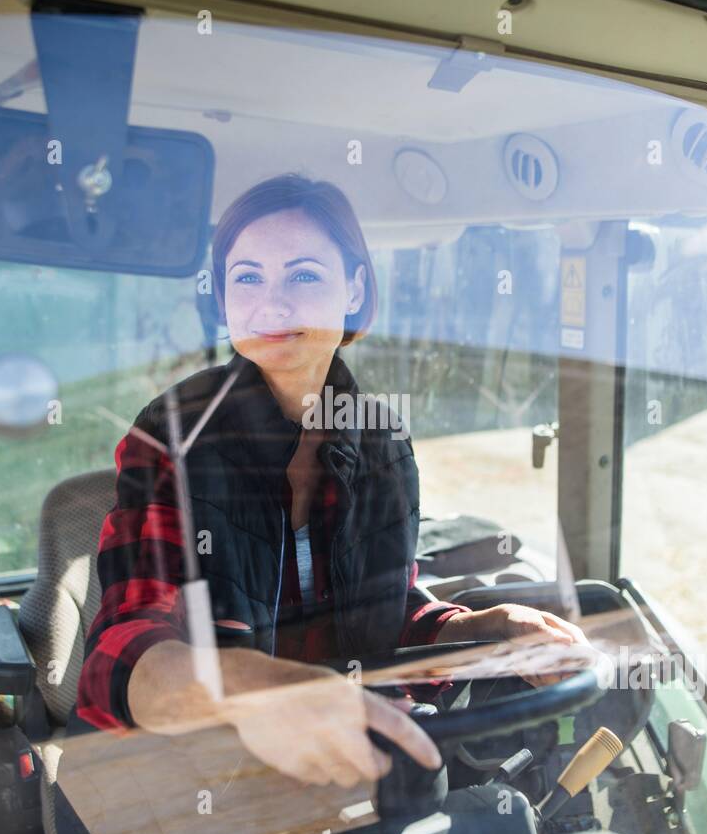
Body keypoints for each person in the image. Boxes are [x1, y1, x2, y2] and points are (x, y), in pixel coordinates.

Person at [77, 173, 588, 789]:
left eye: (304, 275)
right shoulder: (173, 433)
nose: (274, 304)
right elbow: (122, 652)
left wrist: (480, 629)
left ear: (355, 287)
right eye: (247, 277)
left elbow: (383, 616)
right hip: (207, 784)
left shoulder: (382, 442)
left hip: (364, 769)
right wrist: (254, 693)